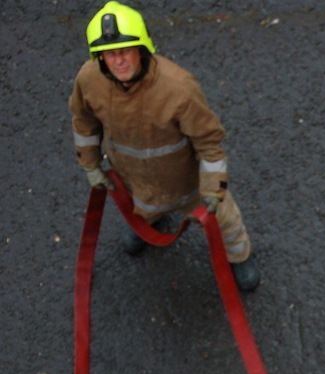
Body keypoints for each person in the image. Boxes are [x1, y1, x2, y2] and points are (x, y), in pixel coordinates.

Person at [68, 1, 260, 291]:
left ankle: (239, 256)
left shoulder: (178, 88)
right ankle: (149, 224)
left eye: (125, 50)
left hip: (187, 182)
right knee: (143, 210)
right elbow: (83, 122)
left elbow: (208, 141)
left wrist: (213, 188)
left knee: (224, 221)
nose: (118, 61)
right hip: (135, 180)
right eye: (109, 53)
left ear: (142, 48)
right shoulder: (88, 80)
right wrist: (90, 164)